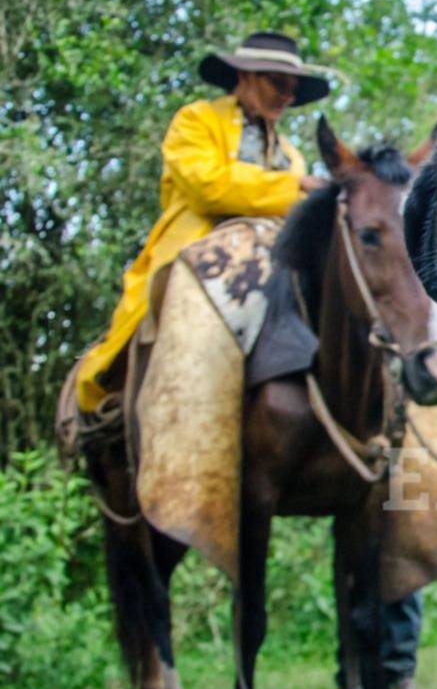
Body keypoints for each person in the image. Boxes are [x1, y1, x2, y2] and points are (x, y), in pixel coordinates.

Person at [74, 31, 327, 415]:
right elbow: (207, 186)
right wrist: (295, 187)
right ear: (244, 77)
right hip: (196, 251)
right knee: (149, 318)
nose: (286, 97)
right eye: (277, 83)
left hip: (271, 258)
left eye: (291, 89)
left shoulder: (290, 154)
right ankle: (112, 405)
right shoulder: (196, 120)